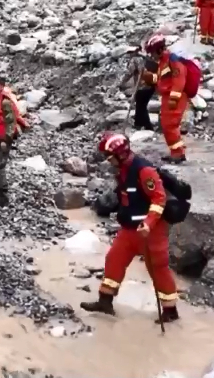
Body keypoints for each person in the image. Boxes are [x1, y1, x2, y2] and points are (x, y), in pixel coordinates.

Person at [80, 132, 179, 323]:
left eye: (110, 157)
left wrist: (149, 223)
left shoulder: (144, 171)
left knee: (158, 269)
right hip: (129, 229)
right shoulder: (123, 170)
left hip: (151, 231)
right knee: (114, 259)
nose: (108, 161)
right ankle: (105, 300)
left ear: (121, 155)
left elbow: (159, 199)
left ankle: (170, 310)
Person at [143, 35, 189, 164]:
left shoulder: (173, 60)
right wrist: (149, 77)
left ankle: (178, 153)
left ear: (159, 50)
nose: (152, 56)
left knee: (170, 125)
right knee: (166, 125)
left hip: (175, 97)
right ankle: (176, 151)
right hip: (167, 96)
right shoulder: (164, 61)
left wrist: (174, 98)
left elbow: (179, 80)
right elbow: (163, 80)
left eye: (153, 52)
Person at [0, 76, 27, 206]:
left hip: (2, 137)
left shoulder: (5, 102)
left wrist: (6, 139)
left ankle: (4, 195)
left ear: (1, 85)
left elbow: (10, 122)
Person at [119, 48, 157, 131]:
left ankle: (147, 126)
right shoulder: (144, 58)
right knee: (140, 105)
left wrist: (122, 83)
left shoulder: (134, 60)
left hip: (142, 86)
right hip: (151, 86)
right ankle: (138, 123)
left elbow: (128, 73)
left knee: (141, 106)